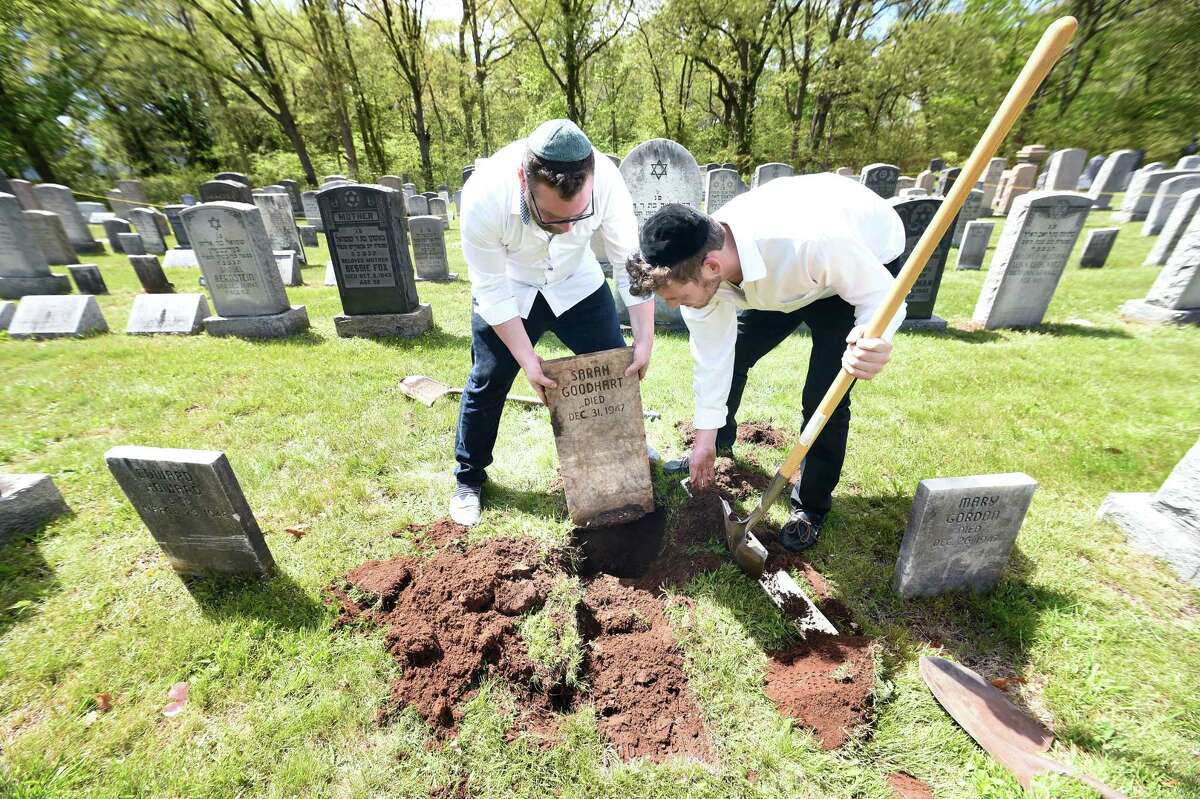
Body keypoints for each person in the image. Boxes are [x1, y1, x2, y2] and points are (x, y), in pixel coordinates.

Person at [625, 173, 905, 551]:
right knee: (736, 355)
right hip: (778, 282)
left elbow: (880, 295)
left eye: (677, 297)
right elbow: (713, 358)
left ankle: (811, 507)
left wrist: (875, 337)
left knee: (824, 394)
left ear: (711, 267)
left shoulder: (809, 241)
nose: (673, 307)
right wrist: (703, 436)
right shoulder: (702, 268)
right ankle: (718, 450)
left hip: (861, 262)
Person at [450, 119, 656, 526]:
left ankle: (630, 449)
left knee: (615, 368)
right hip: (512, 289)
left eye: (578, 217)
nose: (567, 228)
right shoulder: (483, 195)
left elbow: (629, 262)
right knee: (488, 378)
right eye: (552, 217)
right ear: (523, 180)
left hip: (575, 282)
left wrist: (645, 339)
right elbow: (490, 289)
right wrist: (529, 361)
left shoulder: (608, 181)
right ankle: (468, 478)